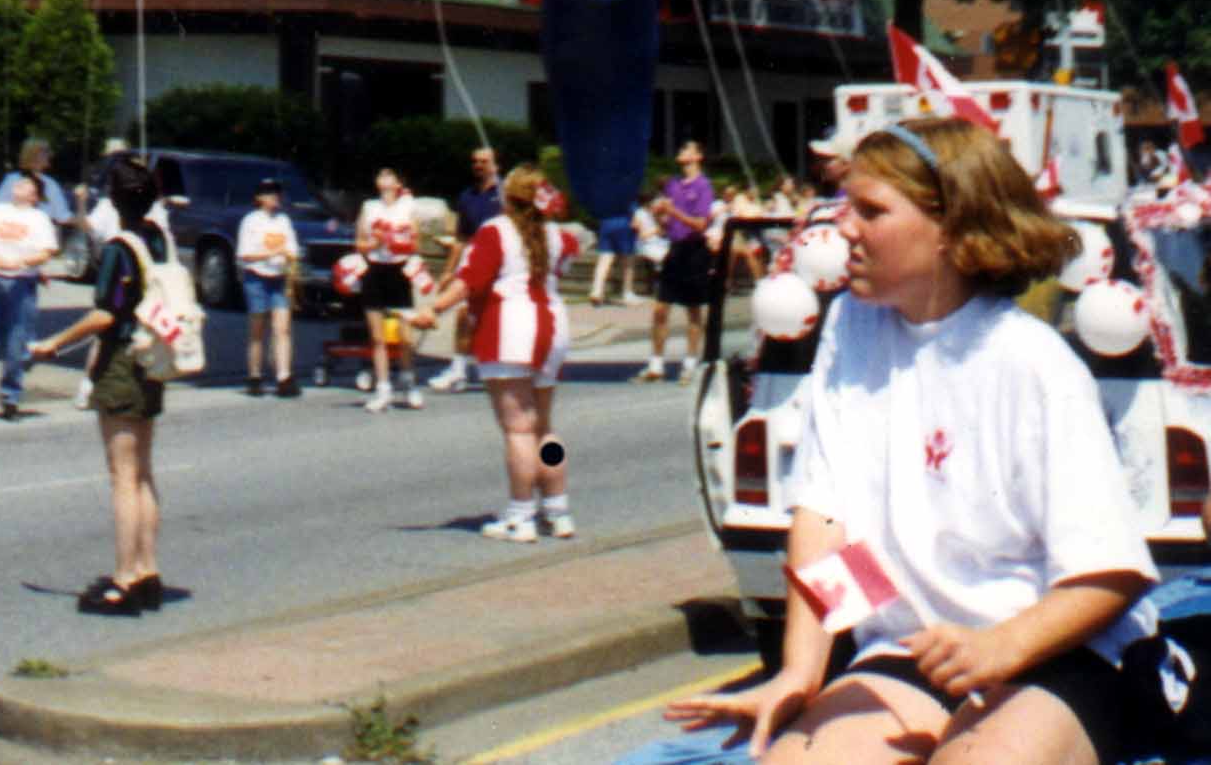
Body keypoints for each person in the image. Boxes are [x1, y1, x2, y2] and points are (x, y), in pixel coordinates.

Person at [667, 118, 1157, 765]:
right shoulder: (853, 325)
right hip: (913, 649)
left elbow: (1112, 574)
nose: (844, 228)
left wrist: (999, 649)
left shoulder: (1032, 362)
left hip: (1053, 654)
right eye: (846, 207)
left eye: (871, 211)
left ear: (952, 229)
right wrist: (800, 672)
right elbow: (828, 518)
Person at [38, 151, 171, 615]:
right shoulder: (158, 240)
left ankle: (125, 578)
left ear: (114, 200)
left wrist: (54, 342)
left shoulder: (120, 249)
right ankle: (148, 570)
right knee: (144, 470)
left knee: (123, 476)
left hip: (122, 362)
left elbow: (105, 313)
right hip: (154, 358)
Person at [417, 161, 574, 541]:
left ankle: (521, 515)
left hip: (510, 328)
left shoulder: (495, 233)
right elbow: (562, 269)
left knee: (518, 429)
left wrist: (433, 309)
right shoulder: (560, 236)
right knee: (544, 427)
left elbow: (467, 281)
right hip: (552, 327)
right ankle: (558, 509)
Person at [0, 167, 59, 421]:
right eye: (19, 184)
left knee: (16, 343)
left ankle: (10, 399)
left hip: (21, 284)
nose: (19, 186)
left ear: (34, 196)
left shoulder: (39, 219)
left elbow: (47, 250)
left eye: (27, 185)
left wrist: (23, 263)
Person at [638, 141, 718, 383]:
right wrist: (660, 217)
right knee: (660, 308)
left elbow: (701, 224)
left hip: (695, 251)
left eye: (686, 150)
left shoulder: (703, 186)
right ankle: (656, 365)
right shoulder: (673, 184)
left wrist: (673, 213)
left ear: (698, 156)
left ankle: (690, 363)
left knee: (694, 310)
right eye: (680, 149)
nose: (680, 153)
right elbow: (668, 223)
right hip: (675, 249)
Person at [431, 146, 505, 392]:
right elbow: (461, 238)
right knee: (464, 315)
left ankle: (500, 368)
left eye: (484, 161)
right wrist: (448, 271)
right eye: (475, 161)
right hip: (474, 260)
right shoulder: (467, 197)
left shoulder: (506, 194)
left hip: (502, 262)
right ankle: (458, 369)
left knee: (497, 316)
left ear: (496, 165)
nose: (478, 165)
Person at [354, 165, 426, 412]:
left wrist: (400, 242)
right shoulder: (369, 207)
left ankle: (408, 383)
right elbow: (359, 243)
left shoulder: (408, 206)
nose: (384, 178)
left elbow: (416, 239)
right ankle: (383, 387)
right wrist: (372, 243)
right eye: (380, 174)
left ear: (398, 183)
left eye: (389, 175)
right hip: (374, 270)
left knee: (404, 335)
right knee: (377, 336)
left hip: (399, 270)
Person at [235, 174, 302, 397]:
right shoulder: (251, 221)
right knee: (257, 329)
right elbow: (244, 255)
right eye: (269, 193)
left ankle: (284, 376)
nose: (275, 197)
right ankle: (254, 375)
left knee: (282, 328)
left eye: (276, 193)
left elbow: (292, 248)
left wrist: (290, 257)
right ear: (259, 197)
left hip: (279, 278)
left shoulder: (283, 221)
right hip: (257, 278)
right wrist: (272, 252)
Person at [0, 139, 73, 228]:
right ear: (35, 156)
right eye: (45, 152)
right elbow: (63, 217)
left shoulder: (12, 179)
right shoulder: (50, 184)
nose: (50, 155)